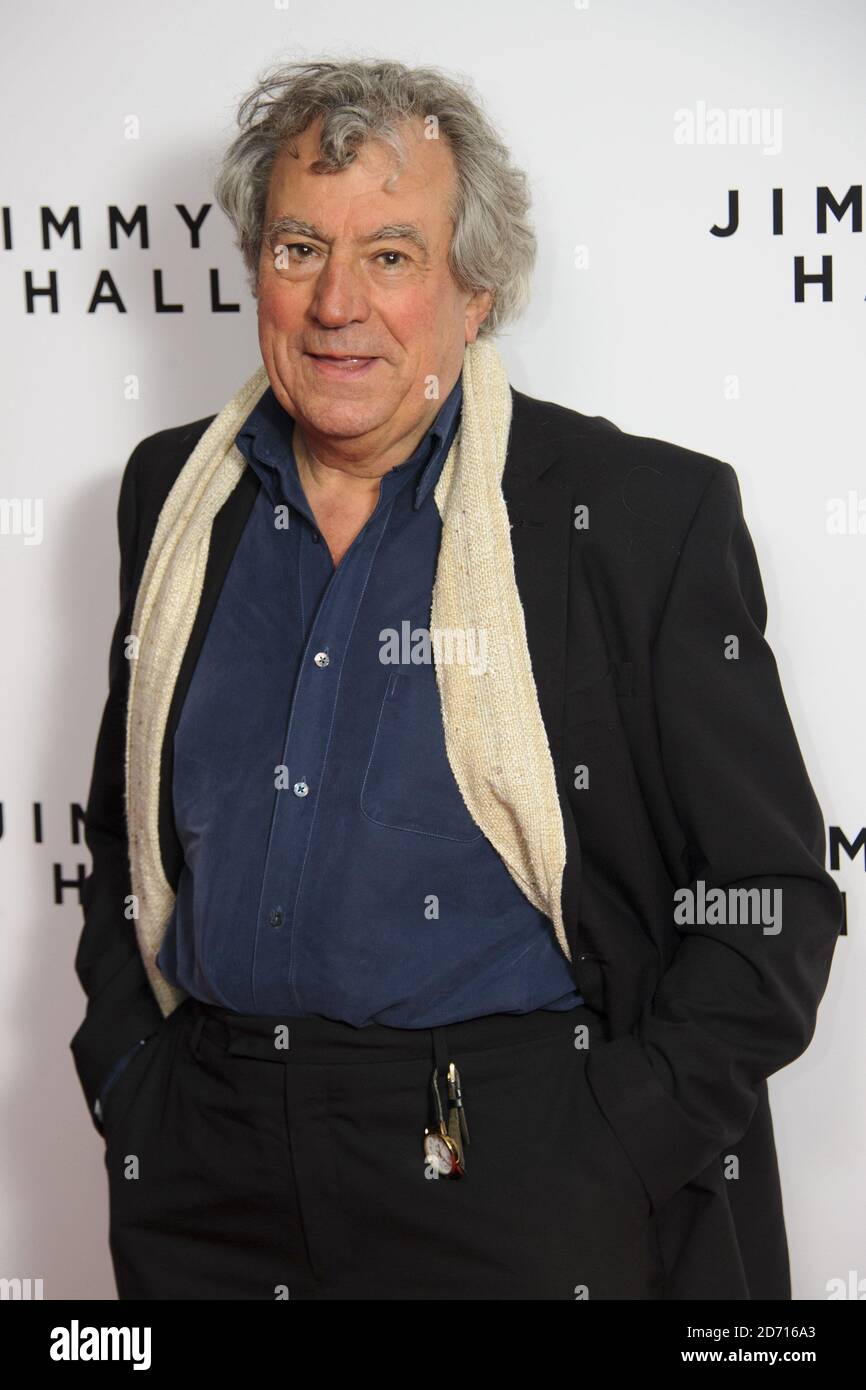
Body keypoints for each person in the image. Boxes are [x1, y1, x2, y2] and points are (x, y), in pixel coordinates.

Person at [70, 57, 843, 1301]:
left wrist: (609, 1145)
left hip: (504, 1169)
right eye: (297, 248)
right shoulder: (175, 494)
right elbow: (126, 837)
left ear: (473, 290)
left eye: (389, 255)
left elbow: (768, 900)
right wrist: (130, 1077)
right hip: (204, 1168)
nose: (336, 305)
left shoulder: (636, 515)